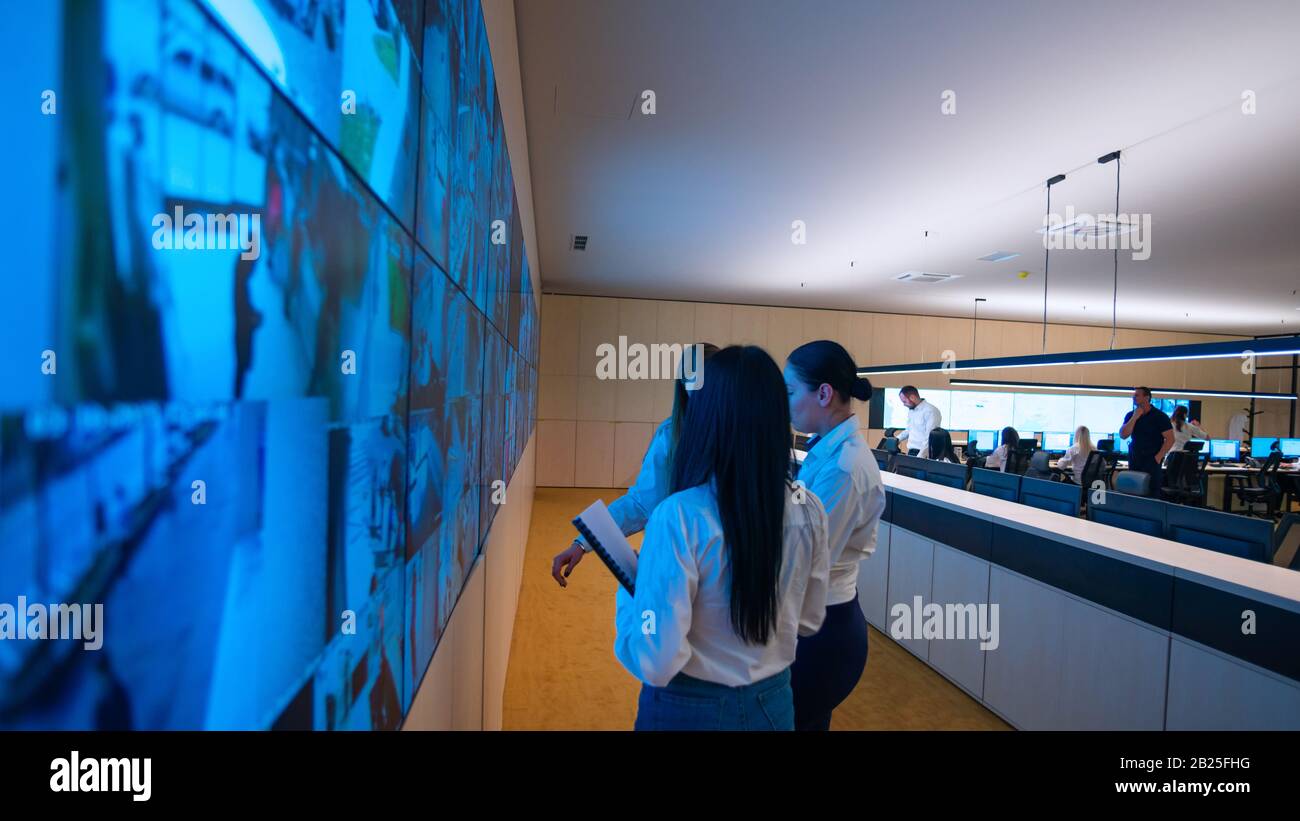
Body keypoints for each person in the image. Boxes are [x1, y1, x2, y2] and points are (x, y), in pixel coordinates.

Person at [614, 346, 830, 731]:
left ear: (708, 418)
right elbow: (809, 620)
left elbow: (655, 661)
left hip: (686, 708)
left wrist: (631, 596)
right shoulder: (809, 509)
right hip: (774, 704)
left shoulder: (679, 517)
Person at [551, 343, 718, 587]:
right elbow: (641, 503)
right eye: (691, 380)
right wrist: (582, 542)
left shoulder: (742, 437)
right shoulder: (671, 436)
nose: (700, 389)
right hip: (676, 569)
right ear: (683, 385)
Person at [784, 340, 886, 731]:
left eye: (792, 392)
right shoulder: (824, 451)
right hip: (814, 621)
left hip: (824, 632)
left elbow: (801, 553)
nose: (787, 403)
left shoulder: (845, 468)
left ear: (823, 393)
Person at [1119, 387, 1175, 492]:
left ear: (1147, 397)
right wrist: (1135, 417)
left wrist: (1158, 458)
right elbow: (1123, 435)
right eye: (1133, 395)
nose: (1133, 397)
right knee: (1133, 492)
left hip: (1152, 461)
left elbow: (1170, 439)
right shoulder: (1130, 415)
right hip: (1135, 460)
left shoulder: (1160, 416)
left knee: (1151, 493)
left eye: (1137, 395)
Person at [896, 386, 941, 458]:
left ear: (912, 397)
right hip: (911, 452)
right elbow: (909, 430)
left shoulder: (930, 411)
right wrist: (896, 440)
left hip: (923, 454)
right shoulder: (912, 411)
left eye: (905, 401)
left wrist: (920, 456)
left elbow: (929, 437)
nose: (904, 404)